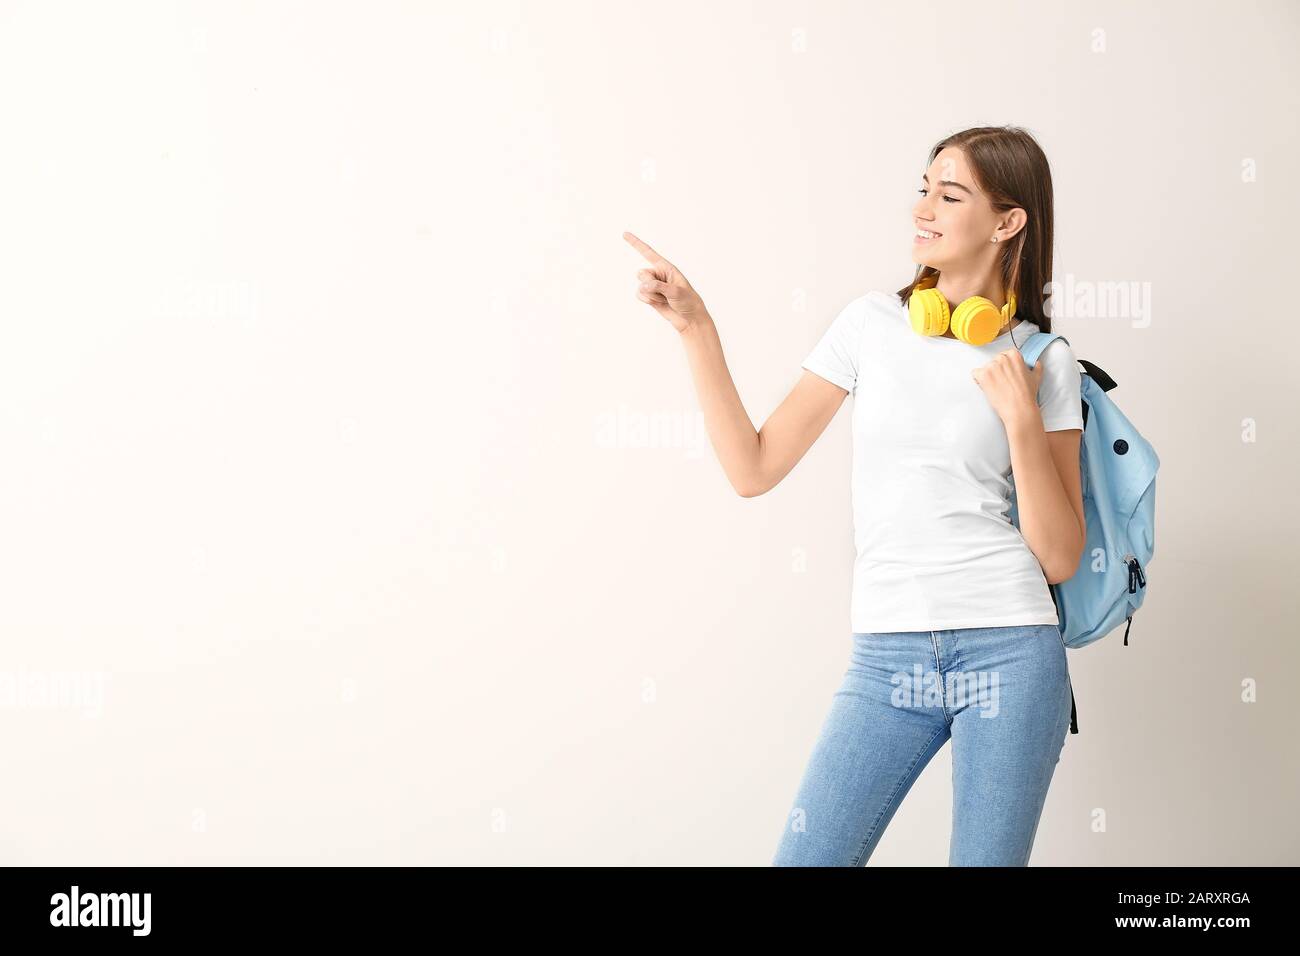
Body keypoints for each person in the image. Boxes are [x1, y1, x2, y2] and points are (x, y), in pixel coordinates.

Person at [622, 125, 1085, 866]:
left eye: (951, 193)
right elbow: (754, 467)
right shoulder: (871, 325)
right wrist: (696, 328)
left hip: (1010, 653)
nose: (923, 208)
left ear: (1008, 221)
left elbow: (1060, 556)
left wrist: (1023, 421)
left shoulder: (1041, 359)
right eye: (924, 188)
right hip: (885, 659)